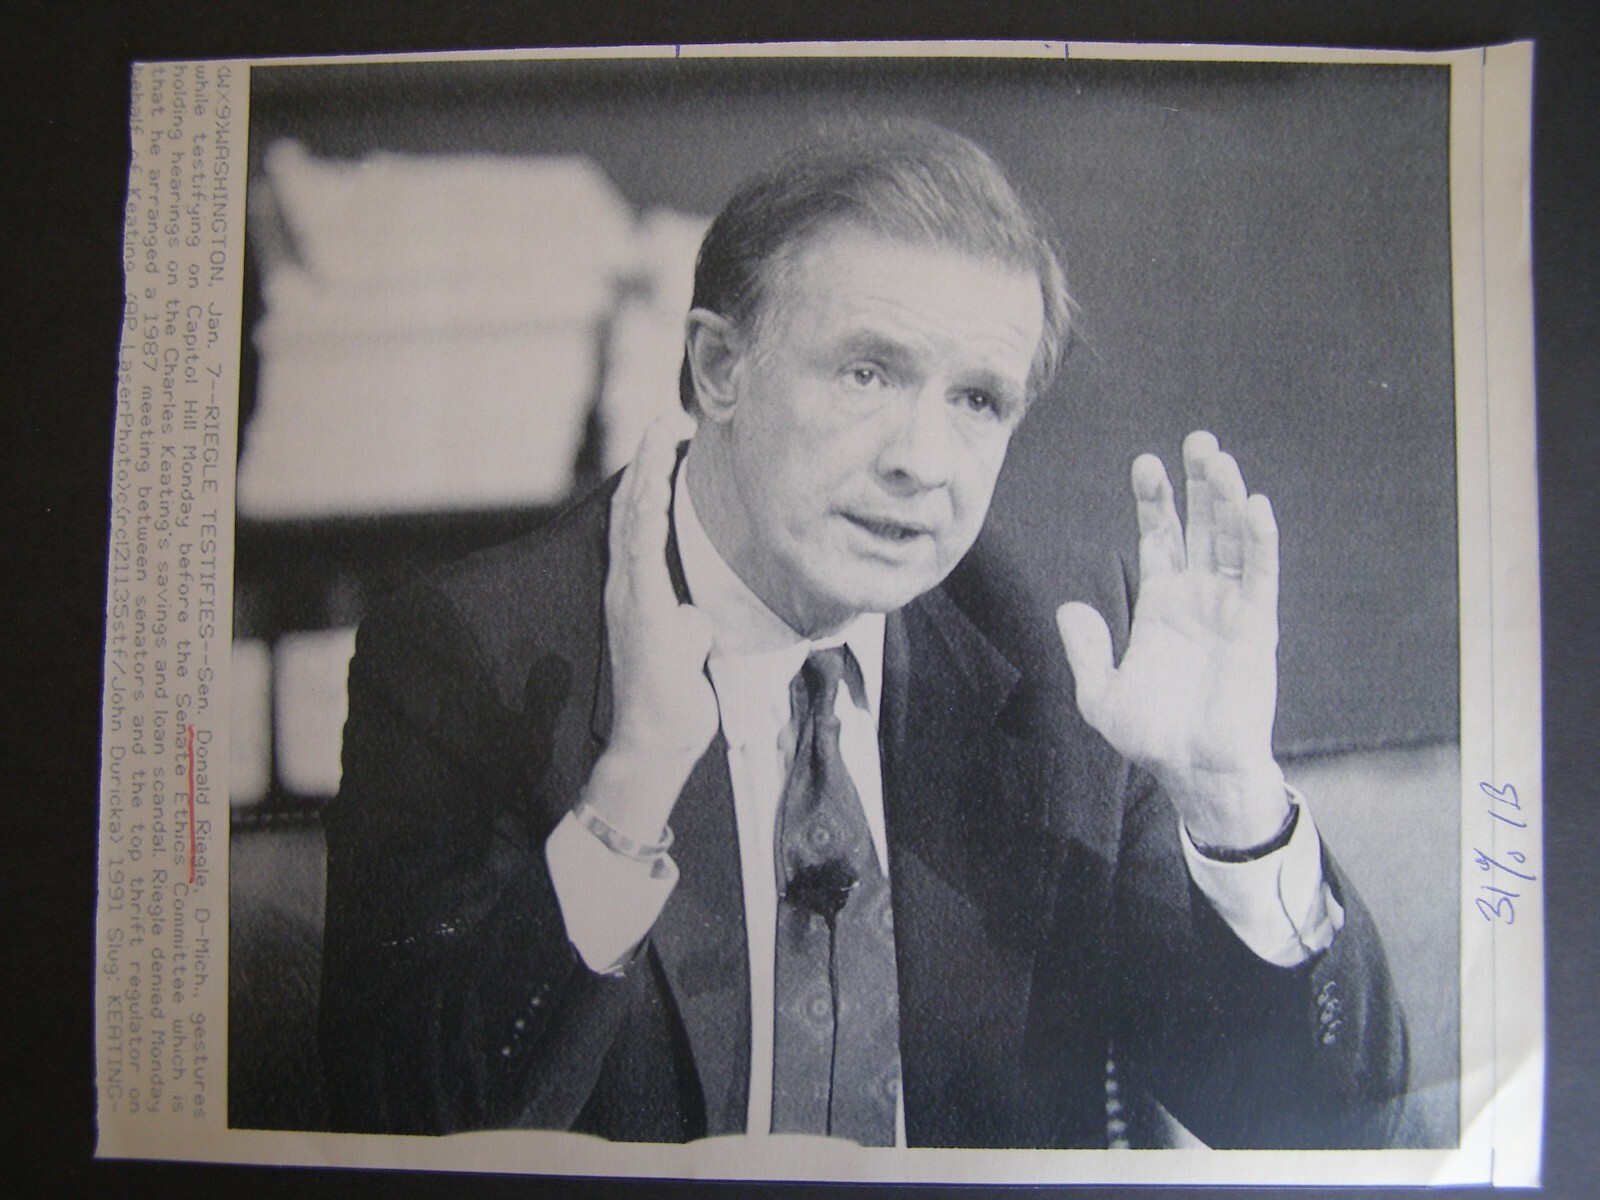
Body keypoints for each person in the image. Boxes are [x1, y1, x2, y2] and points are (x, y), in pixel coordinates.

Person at [319, 122, 1406, 1148]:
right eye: (866, 372)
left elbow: (1316, 1122)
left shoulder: (1058, 652)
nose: (919, 460)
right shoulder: (479, 652)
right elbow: (396, 1132)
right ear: (718, 369)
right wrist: (629, 792)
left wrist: (1230, 805)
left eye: (978, 401)